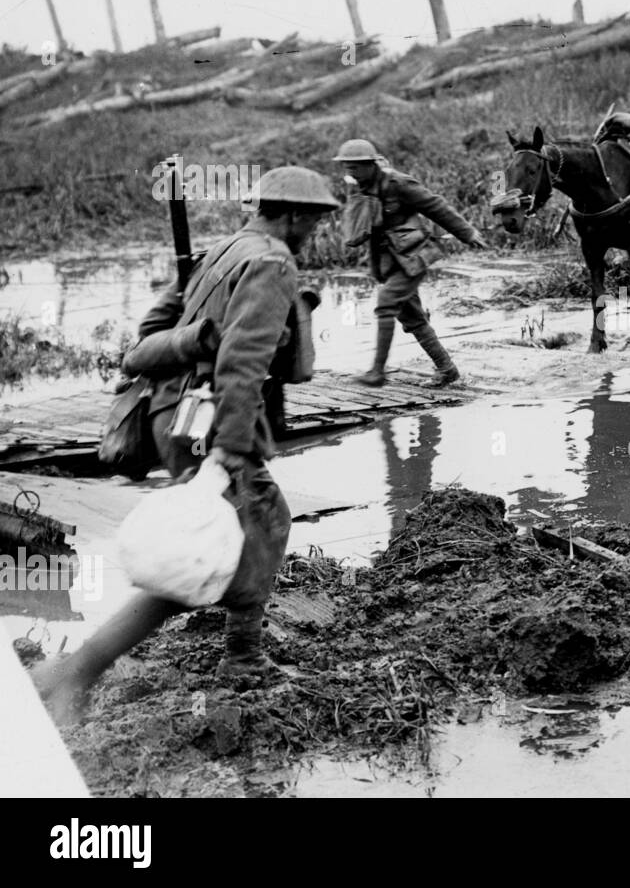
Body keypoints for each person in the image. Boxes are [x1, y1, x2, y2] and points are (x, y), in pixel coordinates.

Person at [31, 167, 341, 723]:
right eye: (313, 222)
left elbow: (151, 331)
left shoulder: (221, 250)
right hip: (213, 422)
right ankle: (78, 671)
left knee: (241, 533)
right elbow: (243, 361)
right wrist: (231, 448)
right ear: (293, 215)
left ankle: (238, 656)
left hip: (174, 416)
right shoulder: (271, 261)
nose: (313, 233)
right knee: (226, 540)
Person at [334, 138, 488, 387]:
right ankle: (447, 369)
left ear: (371, 164)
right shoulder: (361, 189)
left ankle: (377, 372)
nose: (351, 172)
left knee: (385, 305)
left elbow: (435, 206)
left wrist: (467, 233)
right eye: (346, 167)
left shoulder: (398, 183)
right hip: (388, 263)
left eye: (355, 167)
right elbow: (357, 231)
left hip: (412, 258)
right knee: (412, 318)